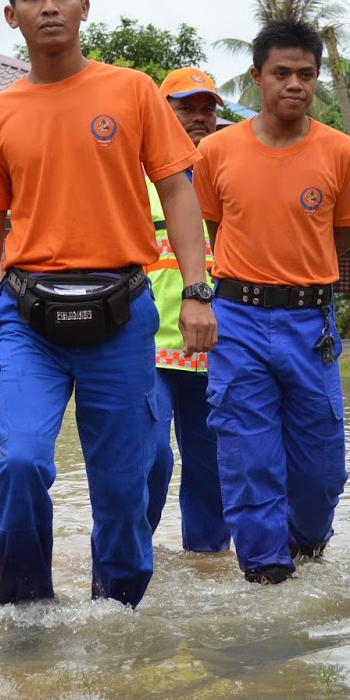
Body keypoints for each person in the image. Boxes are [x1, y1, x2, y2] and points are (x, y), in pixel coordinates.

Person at [0, 0, 216, 608]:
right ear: (12, 14)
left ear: (85, 7)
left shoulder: (132, 91)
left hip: (120, 315)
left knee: (126, 485)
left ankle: (114, 611)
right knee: (23, 462)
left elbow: (177, 192)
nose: (50, 5)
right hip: (28, 319)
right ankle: (27, 611)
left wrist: (200, 291)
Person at [193, 20, 350, 584]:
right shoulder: (216, 151)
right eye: (281, 73)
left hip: (309, 322)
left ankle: (308, 545)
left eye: (306, 74)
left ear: (316, 78)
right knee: (249, 460)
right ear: (256, 77)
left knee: (321, 469)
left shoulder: (343, 153)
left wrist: (299, 276)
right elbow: (216, 226)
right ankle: (266, 576)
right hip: (237, 318)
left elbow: (341, 236)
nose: (294, 84)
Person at [144, 67, 229, 552]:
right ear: (162, 111)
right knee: (151, 457)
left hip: (217, 346)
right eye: (185, 108)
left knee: (213, 464)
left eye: (207, 109)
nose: (199, 118)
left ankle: (208, 561)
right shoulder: (137, 173)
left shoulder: (228, 169)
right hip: (149, 347)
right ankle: (134, 555)